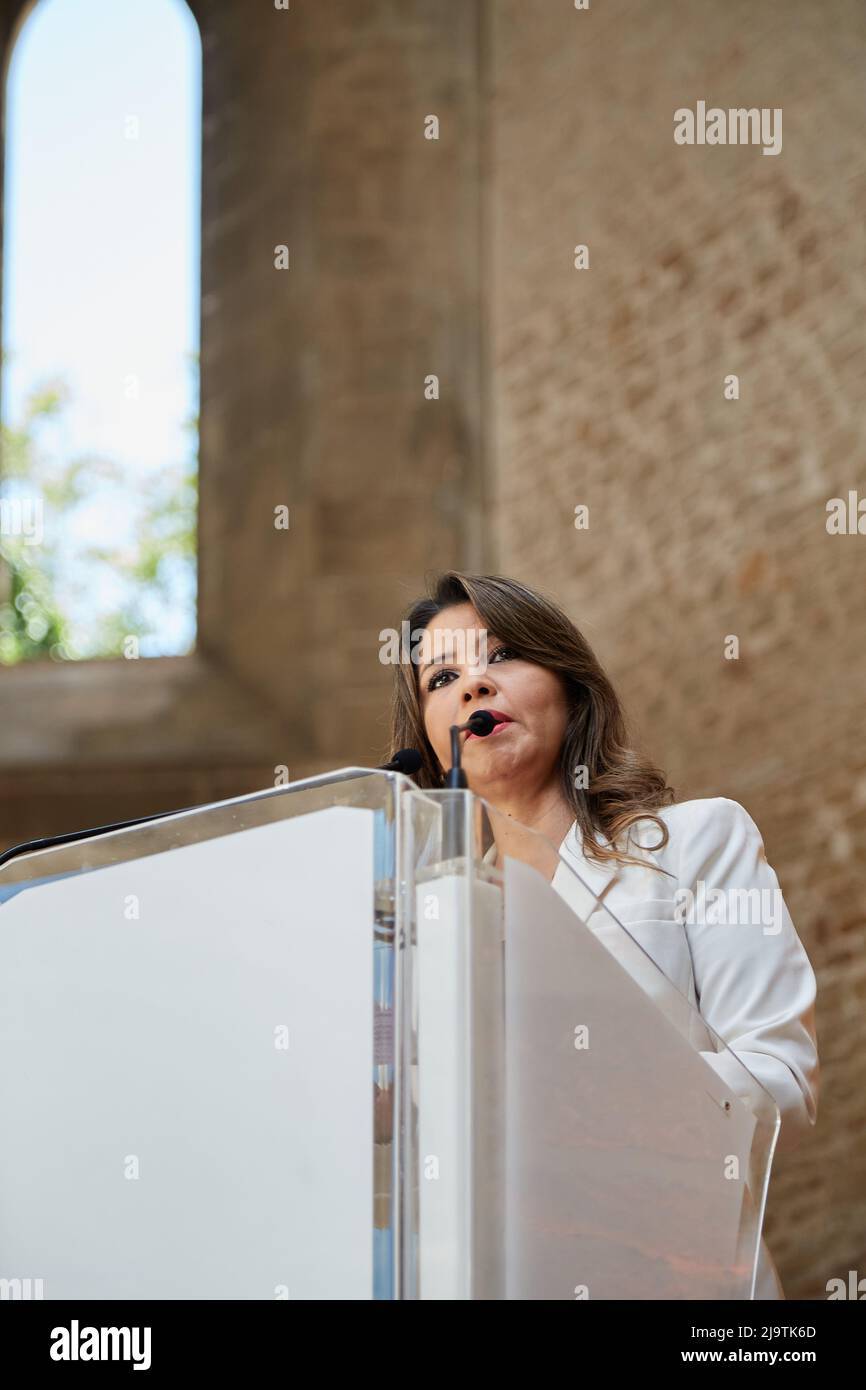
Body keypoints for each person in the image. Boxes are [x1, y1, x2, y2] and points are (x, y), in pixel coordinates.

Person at [387, 570, 819, 1300]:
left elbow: (780, 1079)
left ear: (568, 682)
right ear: (430, 742)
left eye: (499, 657)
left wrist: (582, 1109)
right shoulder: (431, 929)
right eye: (444, 677)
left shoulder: (696, 843)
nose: (472, 688)